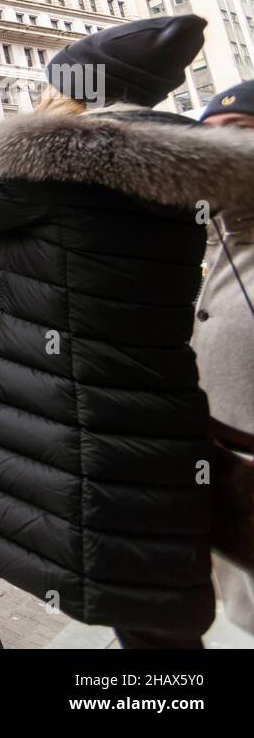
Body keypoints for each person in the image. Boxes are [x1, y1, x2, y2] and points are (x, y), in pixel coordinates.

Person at [0, 14, 220, 648]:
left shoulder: (56, 158)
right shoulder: (180, 165)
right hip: (153, 403)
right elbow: (62, 229)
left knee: (124, 581)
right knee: (151, 589)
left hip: (81, 412)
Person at [195, 80, 254, 636]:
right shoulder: (210, 244)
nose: (217, 151)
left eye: (237, 134)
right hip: (223, 491)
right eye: (205, 137)